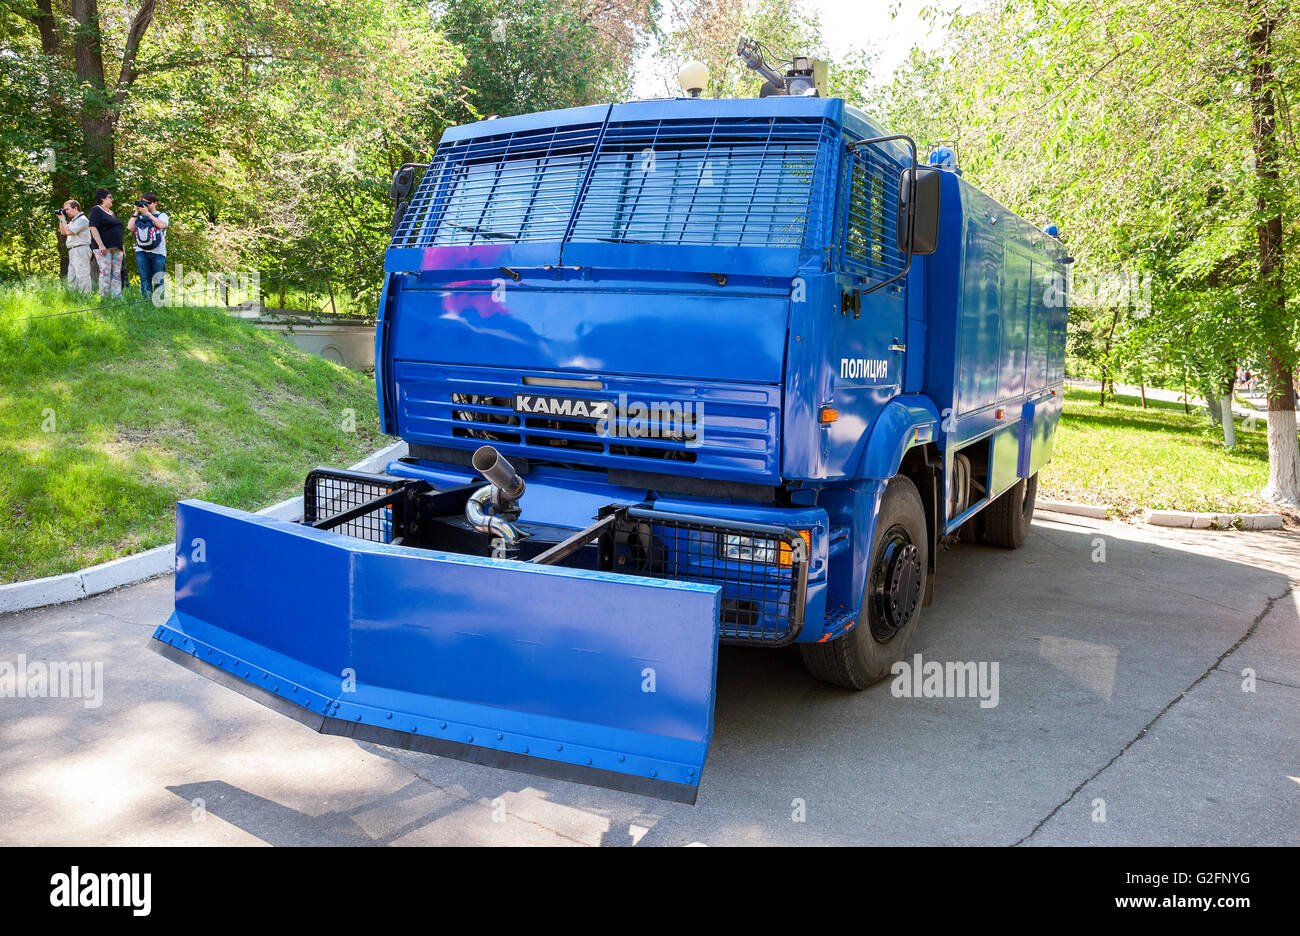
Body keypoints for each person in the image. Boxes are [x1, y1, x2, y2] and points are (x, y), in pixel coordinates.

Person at [127, 192, 169, 301]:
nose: (145, 205)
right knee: (145, 279)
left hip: (158, 252)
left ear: (155, 203)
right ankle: (146, 303)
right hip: (141, 251)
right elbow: (130, 227)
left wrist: (148, 214)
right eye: (143, 203)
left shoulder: (161, 215)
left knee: (158, 279)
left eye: (148, 203)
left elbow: (162, 225)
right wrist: (137, 211)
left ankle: (159, 303)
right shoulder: (139, 216)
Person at [87, 189, 125, 298]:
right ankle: (105, 297)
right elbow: (93, 227)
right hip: (103, 247)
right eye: (110, 197)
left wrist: (122, 247)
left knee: (116, 273)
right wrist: (100, 245)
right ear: (102, 198)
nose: (112, 199)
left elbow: (118, 231)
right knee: (105, 272)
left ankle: (117, 296)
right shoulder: (96, 210)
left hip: (117, 248)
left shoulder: (112, 213)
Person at [56, 200, 93, 293]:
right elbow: (63, 232)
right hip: (73, 250)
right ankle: (73, 298)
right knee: (72, 277)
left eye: (67, 209)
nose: (66, 212)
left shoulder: (82, 220)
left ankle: (86, 297)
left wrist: (64, 220)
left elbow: (69, 232)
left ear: (75, 208)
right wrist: (61, 220)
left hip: (81, 249)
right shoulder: (74, 221)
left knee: (82, 275)